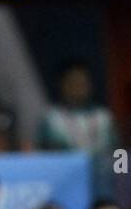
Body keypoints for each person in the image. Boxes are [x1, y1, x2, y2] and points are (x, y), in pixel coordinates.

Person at [37, 61, 119, 198]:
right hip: (67, 184)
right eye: (73, 83)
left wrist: (122, 175)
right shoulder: (52, 119)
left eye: (83, 83)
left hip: (104, 181)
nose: (78, 88)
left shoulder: (104, 116)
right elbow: (45, 157)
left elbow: (119, 150)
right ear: (62, 85)